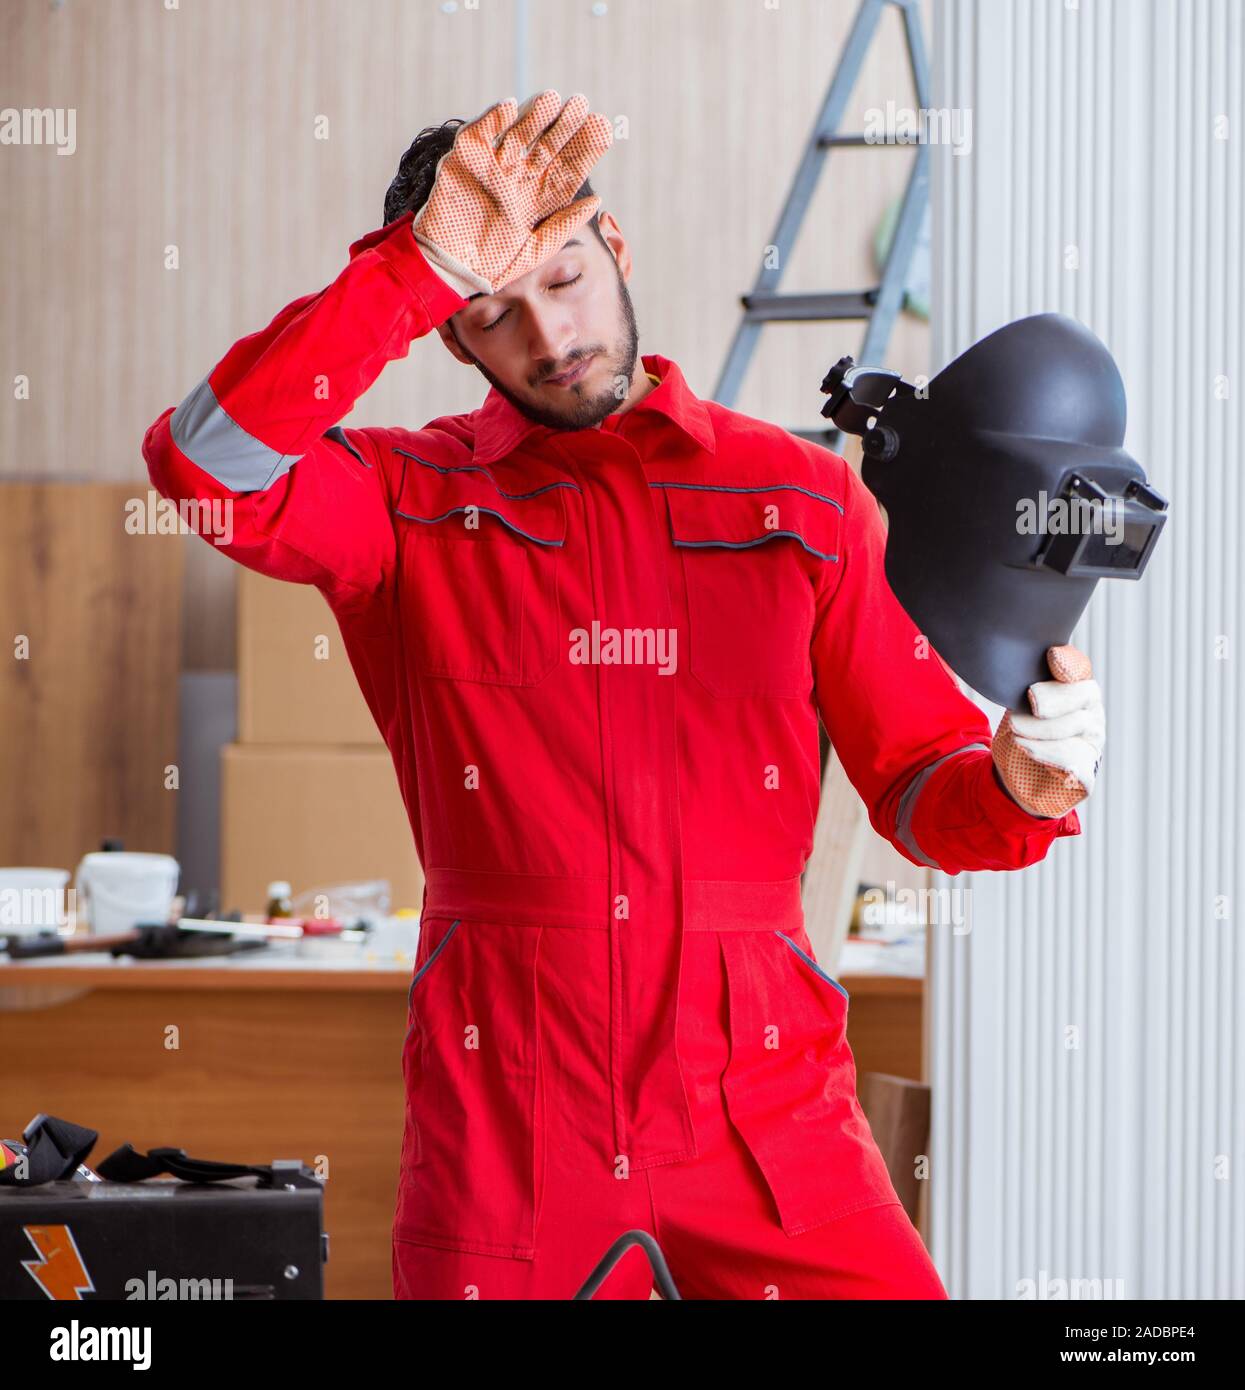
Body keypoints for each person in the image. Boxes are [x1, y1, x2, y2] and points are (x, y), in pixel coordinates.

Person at [143, 91, 1105, 1300]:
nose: (549, 337)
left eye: (564, 278)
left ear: (617, 246)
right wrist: (411, 270)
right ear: (453, 339)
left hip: (764, 1117)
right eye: (491, 312)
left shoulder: (803, 501)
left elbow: (921, 786)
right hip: (510, 1130)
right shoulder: (407, 502)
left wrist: (1019, 786)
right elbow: (207, 466)